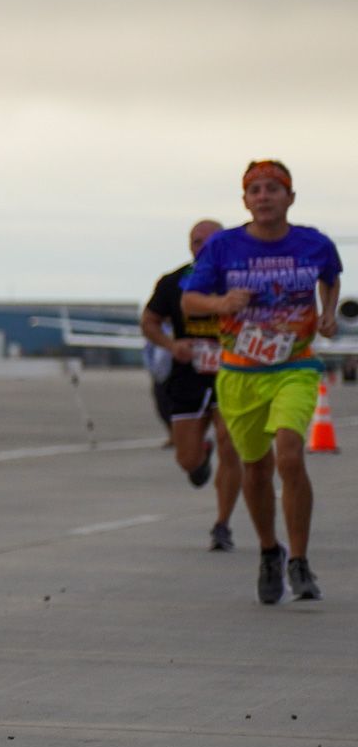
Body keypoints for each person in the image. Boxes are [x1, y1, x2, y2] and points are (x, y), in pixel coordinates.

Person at [180, 160, 341, 604]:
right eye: (255, 190)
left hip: (294, 367)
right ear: (245, 201)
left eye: (273, 189)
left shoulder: (314, 243)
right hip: (240, 372)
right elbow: (190, 302)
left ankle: (300, 561)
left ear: (290, 197)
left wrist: (327, 313)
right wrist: (222, 301)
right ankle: (270, 550)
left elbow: (331, 277)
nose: (264, 196)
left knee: (290, 455)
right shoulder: (223, 247)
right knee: (255, 466)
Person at [140, 219, 242, 551]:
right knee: (186, 460)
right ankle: (201, 455)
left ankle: (222, 524)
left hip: (233, 372)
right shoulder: (174, 282)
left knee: (231, 444)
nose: (202, 247)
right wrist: (172, 347)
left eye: (210, 241)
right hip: (188, 373)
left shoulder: (241, 279)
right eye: (196, 242)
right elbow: (149, 321)